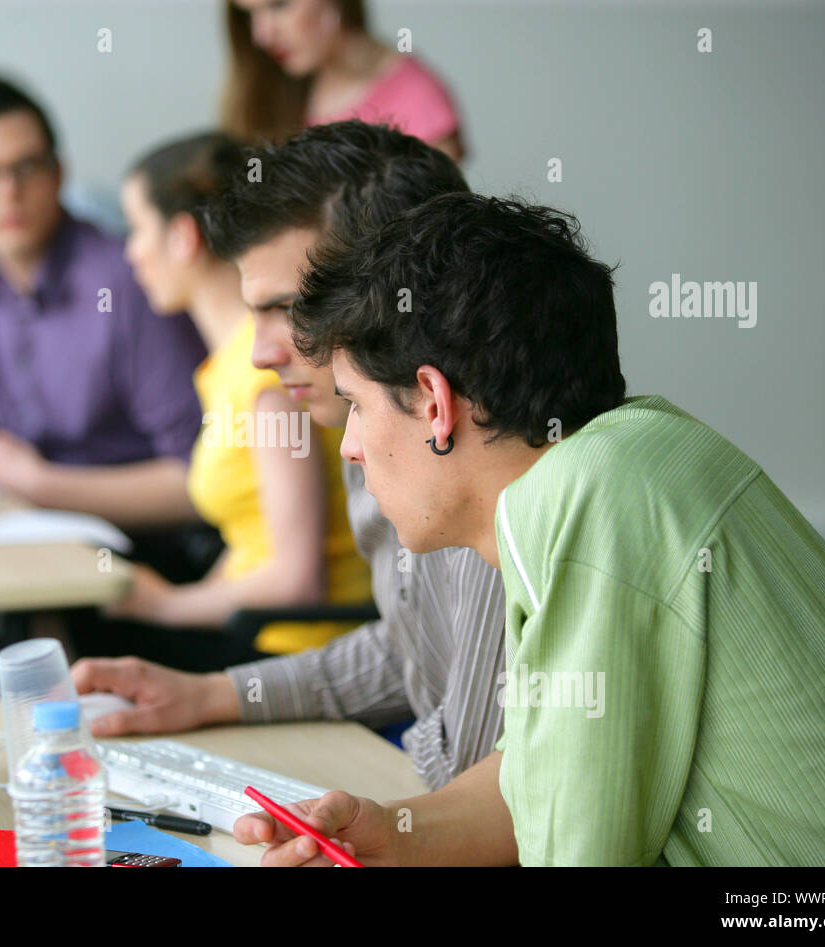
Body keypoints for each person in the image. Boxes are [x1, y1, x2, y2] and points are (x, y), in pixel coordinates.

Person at [232, 191, 825, 866]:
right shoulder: (626, 452)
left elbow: (580, 853)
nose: (349, 447)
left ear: (435, 404)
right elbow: (536, 779)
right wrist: (393, 835)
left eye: (355, 406)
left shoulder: (591, 501)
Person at [72, 121, 506, 789]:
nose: (262, 352)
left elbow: (471, 781)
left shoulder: (488, 470)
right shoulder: (359, 427)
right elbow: (409, 649)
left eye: (290, 309)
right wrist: (209, 697)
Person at [95, 131, 370, 667]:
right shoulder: (228, 365)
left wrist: (168, 604)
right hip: (261, 640)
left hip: (295, 655)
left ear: (182, 236)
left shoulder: (267, 378)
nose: (130, 250)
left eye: (137, 228)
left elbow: (296, 581)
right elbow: (253, 544)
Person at [0, 78, 210, 554]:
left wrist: (43, 484)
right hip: (20, 539)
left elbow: (200, 481)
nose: (9, 193)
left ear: (59, 172)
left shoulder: (128, 282)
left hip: (140, 555)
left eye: (27, 167)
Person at [222, 0, 465, 161]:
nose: (261, 35)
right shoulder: (272, 90)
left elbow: (429, 232)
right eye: (248, 15)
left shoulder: (419, 98)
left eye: (278, 5)